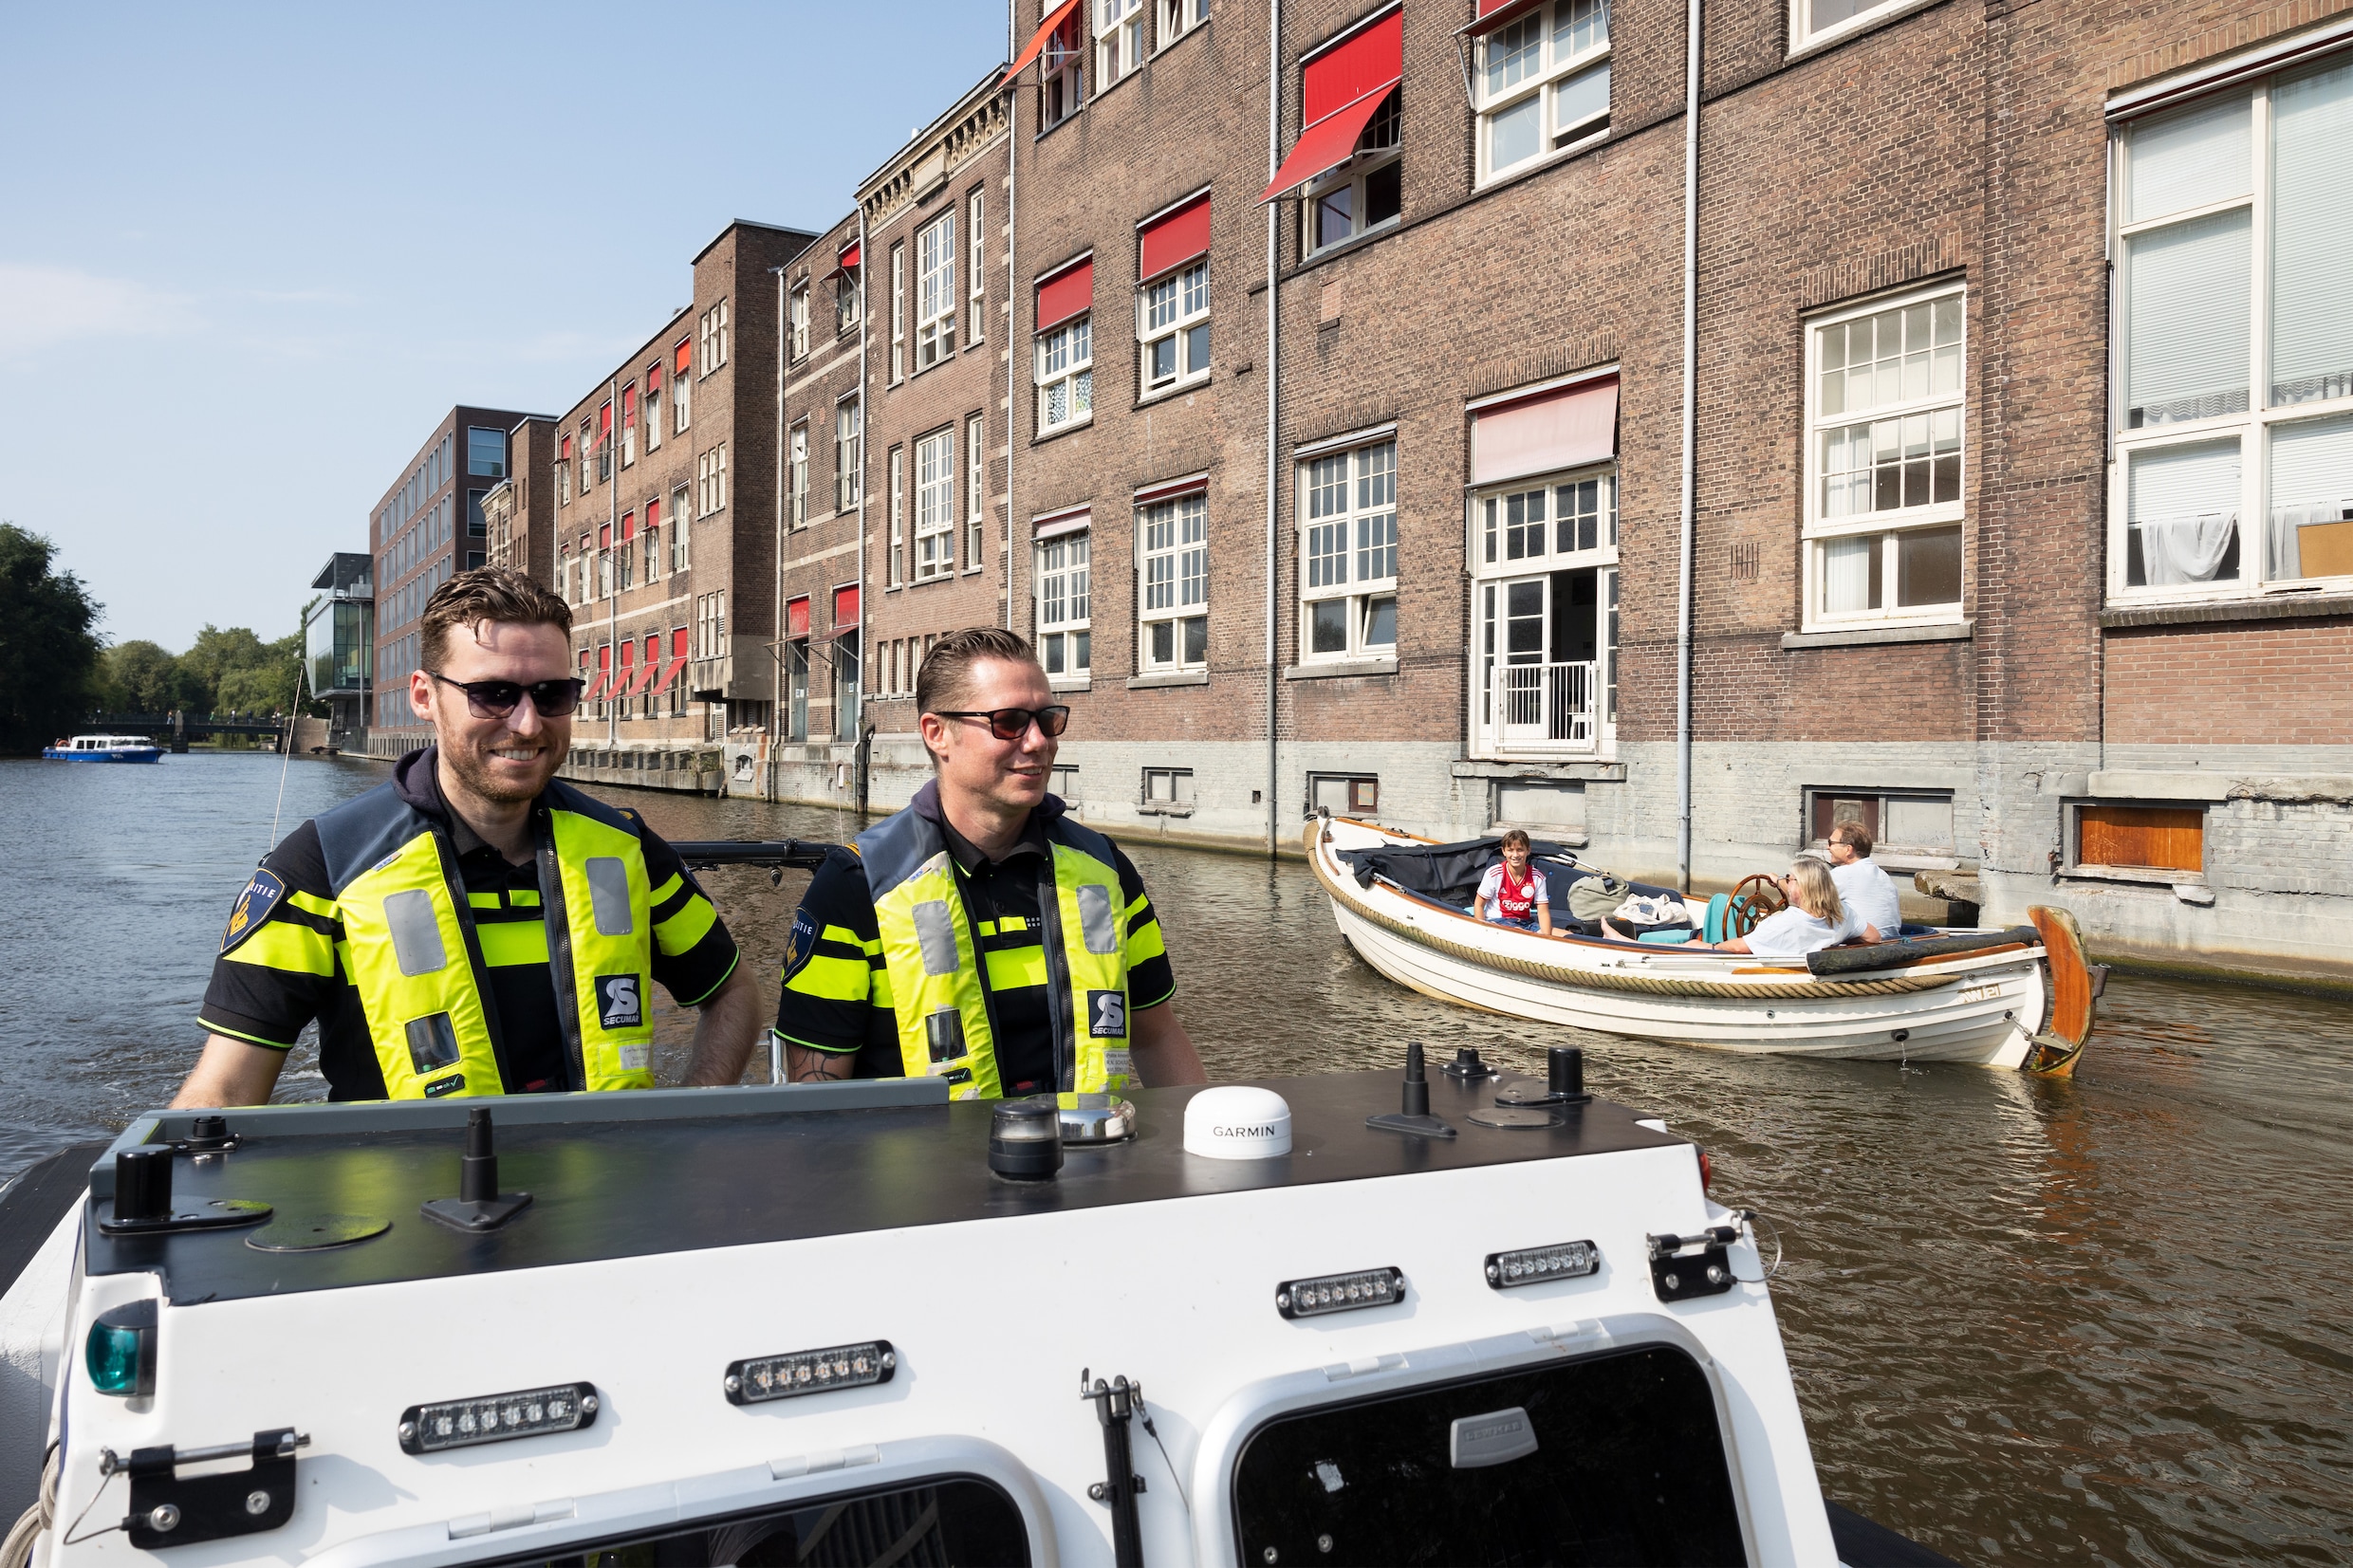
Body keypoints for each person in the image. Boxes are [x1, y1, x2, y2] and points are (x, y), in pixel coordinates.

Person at [173, 569, 763, 1106]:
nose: (527, 723)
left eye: (552, 694)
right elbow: (224, 1089)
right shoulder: (320, 869)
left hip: (605, 1202)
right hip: (411, 1214)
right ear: (426, 697)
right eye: (493, 694)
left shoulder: (625, 848)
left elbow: (732, 991)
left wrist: (688, 1120)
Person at [772, 626, 1207, 1099]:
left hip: (1091, 1163)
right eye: (1010, 721)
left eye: (1048, 718)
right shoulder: (856, 890)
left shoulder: (1104, 871)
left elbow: (1157, 1035)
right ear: (937, 733)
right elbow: (815, 1097)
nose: (1039, 741)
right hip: (930, 1172)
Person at [1711, 858, 1857, 957]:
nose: (1787, 883)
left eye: (1790, 880)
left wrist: (1710, 947)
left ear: (1802, 886)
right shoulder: (1844, 912)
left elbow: (1738, 948)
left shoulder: (1785, 924)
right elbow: (1873, 936)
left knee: (1718, 901)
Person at [1825, 821, 1900, 942]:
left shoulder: (1843, 874)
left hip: (1861, 946)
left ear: (1848, 849)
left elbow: (1806, 900)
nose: (1827, 847)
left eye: (1831, 843)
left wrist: (1787, 885)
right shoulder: (1883, 875)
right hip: (1891, 941)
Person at [1473, 829, 1557, 936]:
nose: (1515, 855)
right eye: (1510, 850)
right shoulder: (1494, 873)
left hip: (1525, 922)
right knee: (1520, 932)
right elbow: (1479, 905)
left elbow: (1543, 912)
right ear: (1504, 851)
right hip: (1498, 921)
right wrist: (1482, 930)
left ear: (1528, 850)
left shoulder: (1537, 877)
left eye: (1520, 850)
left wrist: (1546, 937)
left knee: (1563, 935)